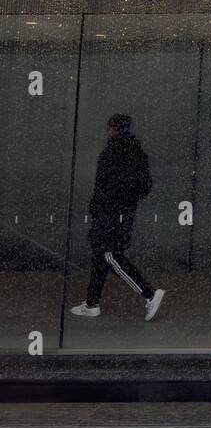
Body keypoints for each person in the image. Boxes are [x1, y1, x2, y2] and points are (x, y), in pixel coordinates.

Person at [70, 114, 165, 322]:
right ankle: (91, 304)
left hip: (110, 213)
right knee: (101, 256)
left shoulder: (115, 150)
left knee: (109, 255)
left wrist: (108, 204)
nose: (108, 131)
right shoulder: (134, 151)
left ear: (113, 128)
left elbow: (106, 185)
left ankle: (150, 295)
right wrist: (125, 201)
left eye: (110, 127)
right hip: (118, 212)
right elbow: (143, 185)